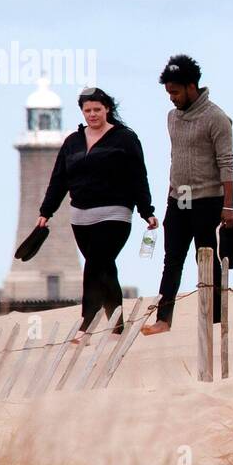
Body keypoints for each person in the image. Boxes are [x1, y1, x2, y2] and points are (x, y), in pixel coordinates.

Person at [36, 87, 157, 340]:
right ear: (82, 111)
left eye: (97, 110)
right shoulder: (73, 142)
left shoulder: (124, 138)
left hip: (115, 214)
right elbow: (59, 180)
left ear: (107, 109)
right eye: (87, 110)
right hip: (80, 217)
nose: (92, 114)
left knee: (93, 266)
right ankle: (117, 329)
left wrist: (147, 211)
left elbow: (138, 176)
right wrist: (46, 211)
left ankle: (86, 327)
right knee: (104, 269)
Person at [142, 55, 233, 335]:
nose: (171, 98)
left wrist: (229, 206)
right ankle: (163, 319)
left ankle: (216, 318)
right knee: (172, 258)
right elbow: (177, 157)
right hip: (178, 198)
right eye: (168, 92)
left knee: (206, 257)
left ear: (191, 86)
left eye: (175, 92)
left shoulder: (217, 118)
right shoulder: (172, 117)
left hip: (208, 198)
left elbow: (227, 162)